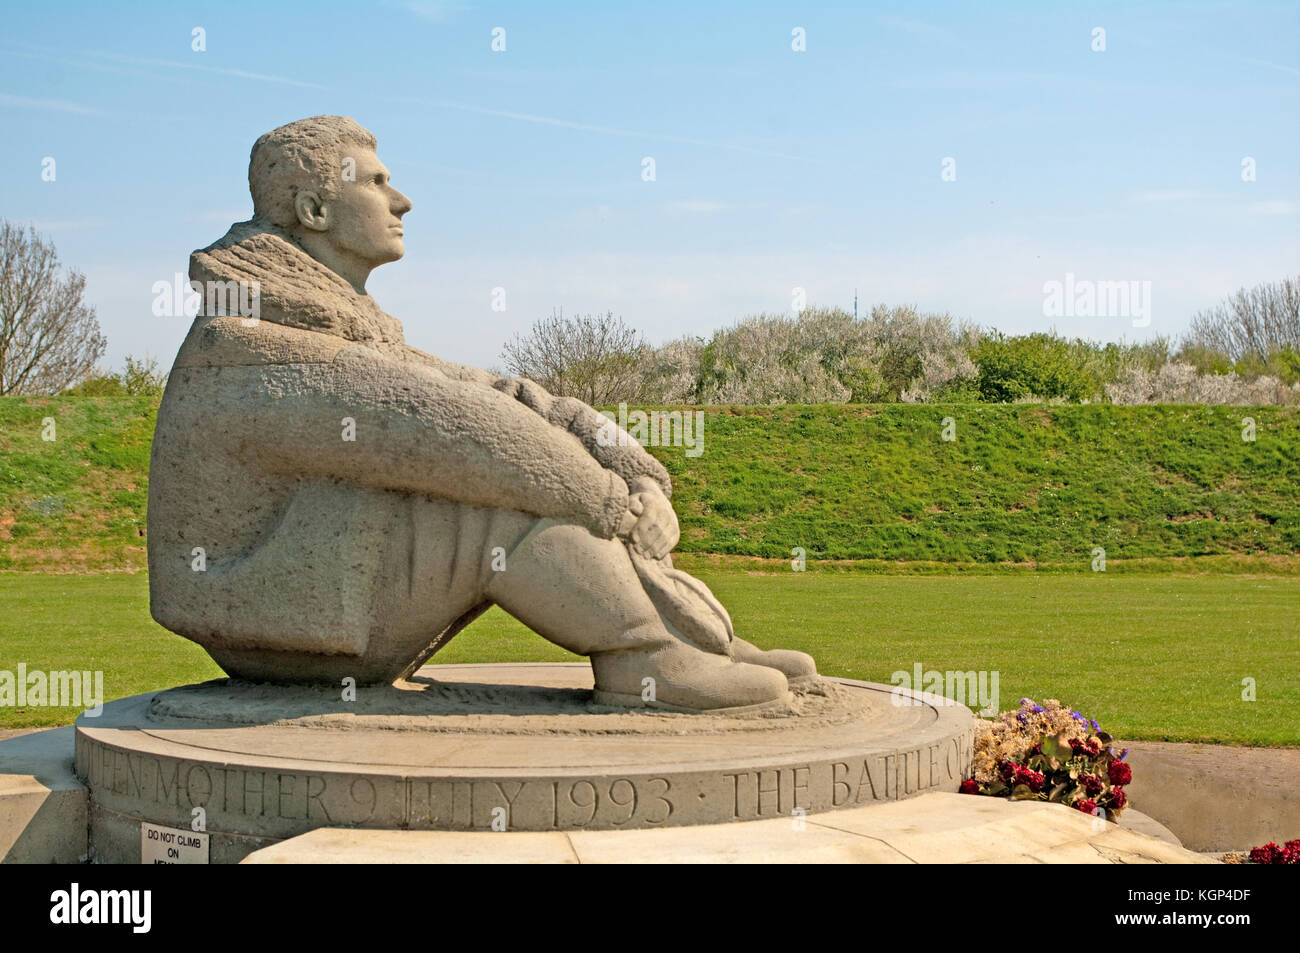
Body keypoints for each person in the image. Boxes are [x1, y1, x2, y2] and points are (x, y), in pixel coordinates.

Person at [147, 116, 816, 712]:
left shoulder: (331, 321)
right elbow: (445, 425)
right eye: (377, 183)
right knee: (499, 483)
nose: (401, 200)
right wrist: (614, 503)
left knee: (531, 456)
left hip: (322, 598)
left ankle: (690, 639)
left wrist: (632, 470)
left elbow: (497, 393)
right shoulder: (245, 344)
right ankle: (643, 657)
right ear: (316, 209)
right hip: (272, 619)